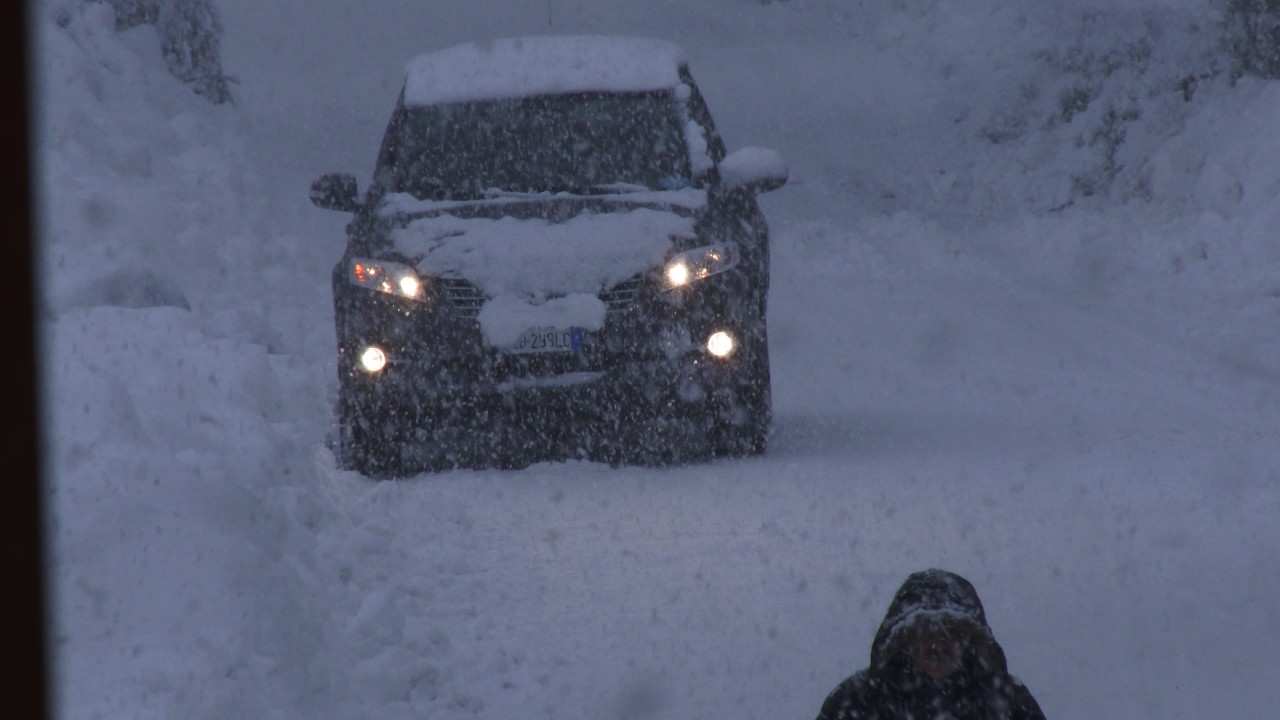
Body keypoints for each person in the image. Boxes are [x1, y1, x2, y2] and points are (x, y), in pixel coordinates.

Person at [816, 569, 1046, 720]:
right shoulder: (857, 702)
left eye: (953, 632)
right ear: (906, 640)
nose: (939, 643)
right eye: (927, 631)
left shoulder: (1009, 702)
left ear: (970, 642)